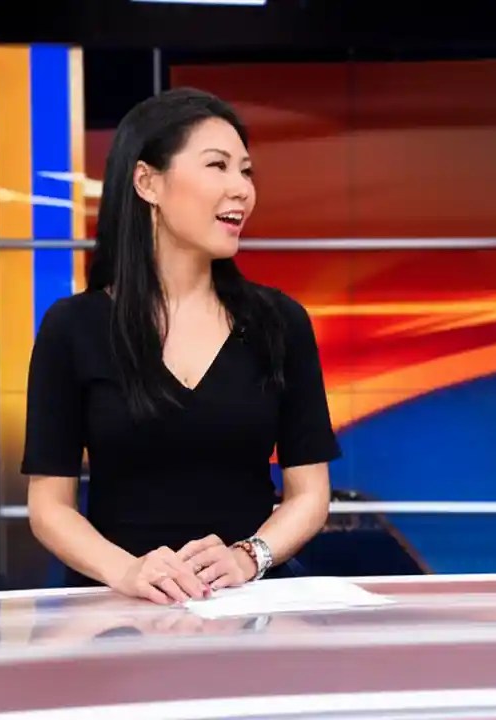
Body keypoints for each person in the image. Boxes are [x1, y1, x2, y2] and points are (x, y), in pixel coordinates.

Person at [21, 87, 340, 604]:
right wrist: (129, 573)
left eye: (246, 171)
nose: (241, 189)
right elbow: (49, 506)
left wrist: (247, 555)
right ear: (147, 181)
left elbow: (310, 494)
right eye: (217, 166)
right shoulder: (72, 327)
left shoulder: (279, 322)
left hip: (246, 611)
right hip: (117, 611)